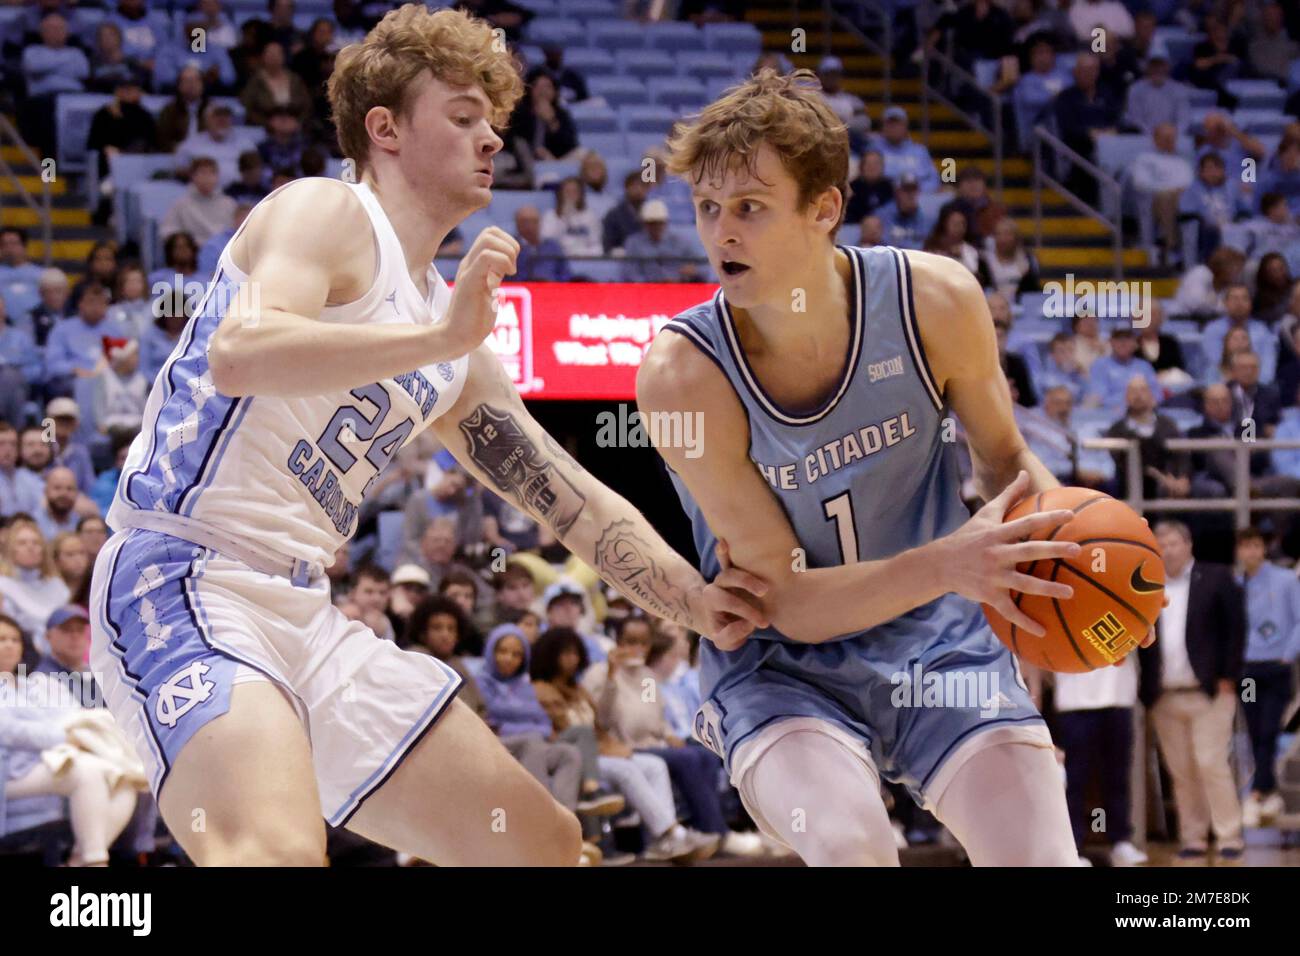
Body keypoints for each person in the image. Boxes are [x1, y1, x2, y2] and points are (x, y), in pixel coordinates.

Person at [87, 4, 764, 868]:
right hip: (181, 573)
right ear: (386, 129)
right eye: (463, 115)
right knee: (273, 854)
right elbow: (241, 352)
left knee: (543, 847)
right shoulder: (327, 212)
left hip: (304, 608)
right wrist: (441, 340)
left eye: (494, 120)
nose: (490, 138)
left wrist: (695, 601)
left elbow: (566, 495)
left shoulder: (448, 334)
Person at [638, 68, 1124, 867]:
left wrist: (1071, 561)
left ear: (824, 208)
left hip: (945, 652)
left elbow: (1006, 463)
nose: (721, 232)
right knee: (853, 845)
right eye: (708, 208)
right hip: (782, 670)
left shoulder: (934, 298)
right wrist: (950, 563)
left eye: (750, 208)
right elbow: (787, 602)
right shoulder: (683, 376)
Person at [529, 626, 718, 862]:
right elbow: (591, 724)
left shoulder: (578, 689)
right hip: (580, 757)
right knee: (631, 769)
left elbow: (613, 722)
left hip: (605, 749)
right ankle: (673, 832)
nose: (572, 659)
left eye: (575, 653)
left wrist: (663, 735)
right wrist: (610, 676)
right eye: (565, 653)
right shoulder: (543, 690)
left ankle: (665, 841)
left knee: (654, 765)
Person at [1139, 521, 1246, 861]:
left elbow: (1236, 629)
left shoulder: (1216, 578)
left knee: (1211, 762)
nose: (1166, 549)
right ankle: (1194, 837)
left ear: (1188, 545)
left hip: (1209, 691)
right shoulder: (1145, 586)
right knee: (1181, 771)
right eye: (1160, 544)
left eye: (1172, 542)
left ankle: (1229, 834)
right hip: (1164, 694)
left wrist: (1230, 677)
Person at [0, 613, 139, 865]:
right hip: (9, 772)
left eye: (14, 639)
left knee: (121, 775)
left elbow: (70, 714)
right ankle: (94, 860)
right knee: (86, 771)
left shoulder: (32, 683)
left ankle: (81, 859)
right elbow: (9, 731)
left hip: (44, 761)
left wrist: (73, 730)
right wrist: (65, 735)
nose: (9, 645)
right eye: (1, 639)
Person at [1234, 526, 1300, 829]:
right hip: (1248, 670)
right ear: (1238, 551)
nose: (1251, 552)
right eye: (1245, 546)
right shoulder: (1236, 584)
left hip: (1277, 668)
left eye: (1256, 545)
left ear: (1264, 548)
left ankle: (1257, 793)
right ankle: (1267, 791)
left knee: (1271, 728)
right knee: (1254, 729)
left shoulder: (1286, 581)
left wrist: (1288, 653)